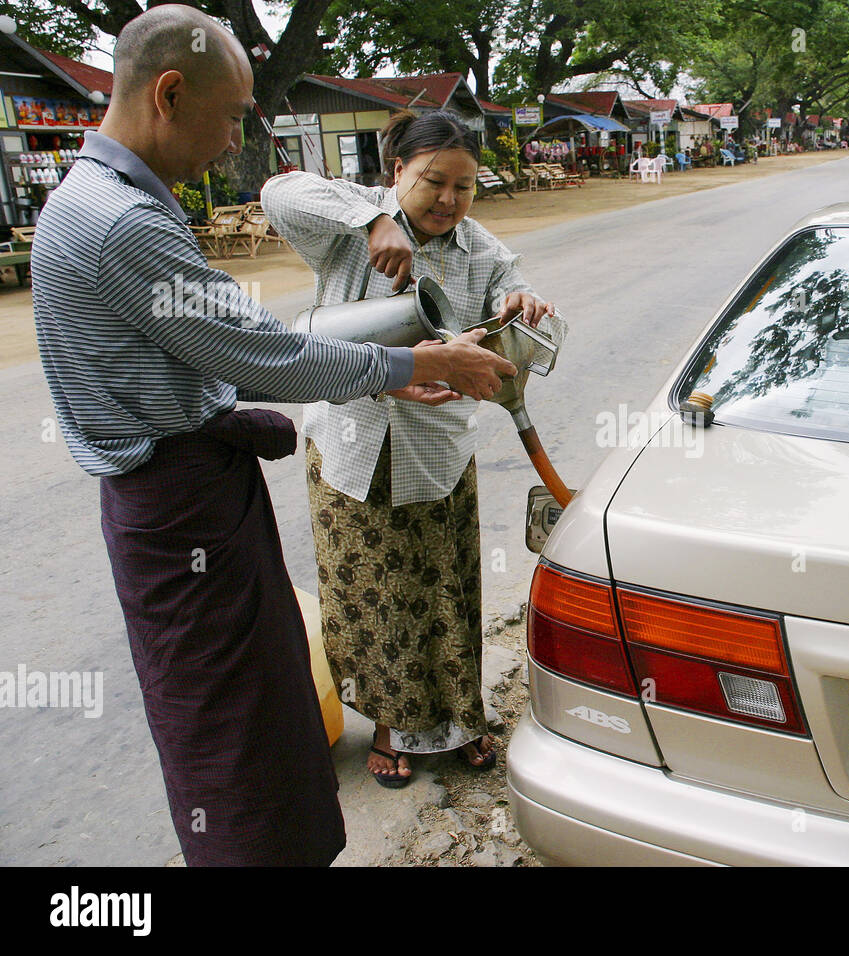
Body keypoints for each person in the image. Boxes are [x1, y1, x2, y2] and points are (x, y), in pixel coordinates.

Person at [29, 6, 514, 866]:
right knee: (233, 720)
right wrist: (412, 366)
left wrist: (417, 362)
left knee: (256, 703)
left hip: (189, 495)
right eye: (227, 118)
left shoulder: (93, 200)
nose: (230, 144)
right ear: (170, 93)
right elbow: (270, 355)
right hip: (182, 511)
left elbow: (228, 362)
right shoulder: (123, 223)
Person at [262, 109, 561, 789]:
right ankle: (391, 727)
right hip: (352, 440)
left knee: (443, 586)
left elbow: (520, 308)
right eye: (433, 182)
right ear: (397, 170)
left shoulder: (478, 249)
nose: (449, 200)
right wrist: (372, 221)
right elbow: (277, 194)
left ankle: (460, 720)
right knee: (372, 595)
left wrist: (524, 303)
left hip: (435, 447)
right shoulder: (350, 225)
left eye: (464, 187)